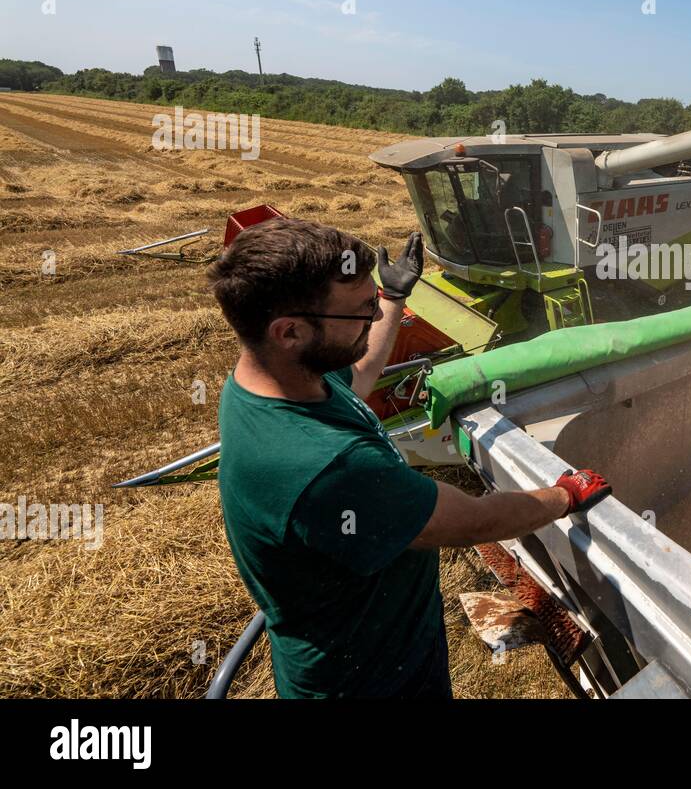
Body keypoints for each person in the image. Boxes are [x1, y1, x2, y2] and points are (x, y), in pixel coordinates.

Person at [208, 217, 610, 698]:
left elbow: (359, 376)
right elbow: (475, 521)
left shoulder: (275, 380)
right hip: (371, 681)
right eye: (360, 312)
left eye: (371, 303)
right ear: (290, 331)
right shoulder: (327, 466)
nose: (374, 320)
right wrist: (563, 494)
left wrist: (394, 298)